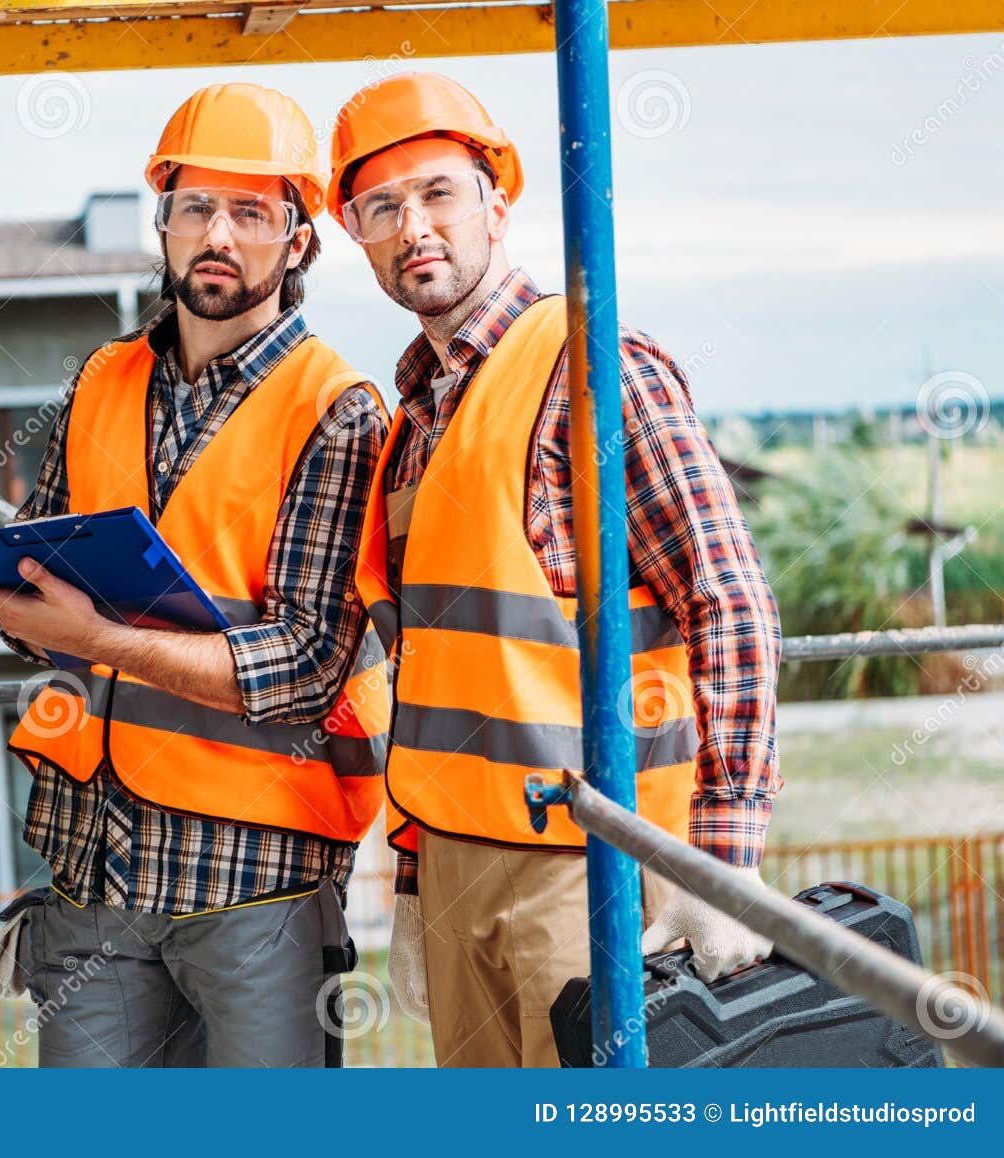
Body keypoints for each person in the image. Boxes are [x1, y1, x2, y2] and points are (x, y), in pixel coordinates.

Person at [329, 72, 784, 1067]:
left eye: (438, 193)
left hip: (593, 860)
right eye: (380, 208)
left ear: (497, 203)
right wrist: (416, 877)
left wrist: (723, 864)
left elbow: (728, 601)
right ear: (355, 234)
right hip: (455, 862)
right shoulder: (413, 423)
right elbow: (438, 678)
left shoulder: (595, 367)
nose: (413, 227)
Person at [0, 82, 391, 1068]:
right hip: (93, 862)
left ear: (297, 240)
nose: (218, 234)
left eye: (251, 212)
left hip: (254, 879)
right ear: (163, 222)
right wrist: (22, 606)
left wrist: (96, 639)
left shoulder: (335, 409)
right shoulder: (103, 379)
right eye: (195, 206)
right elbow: (39, 574)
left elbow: (304, 666)